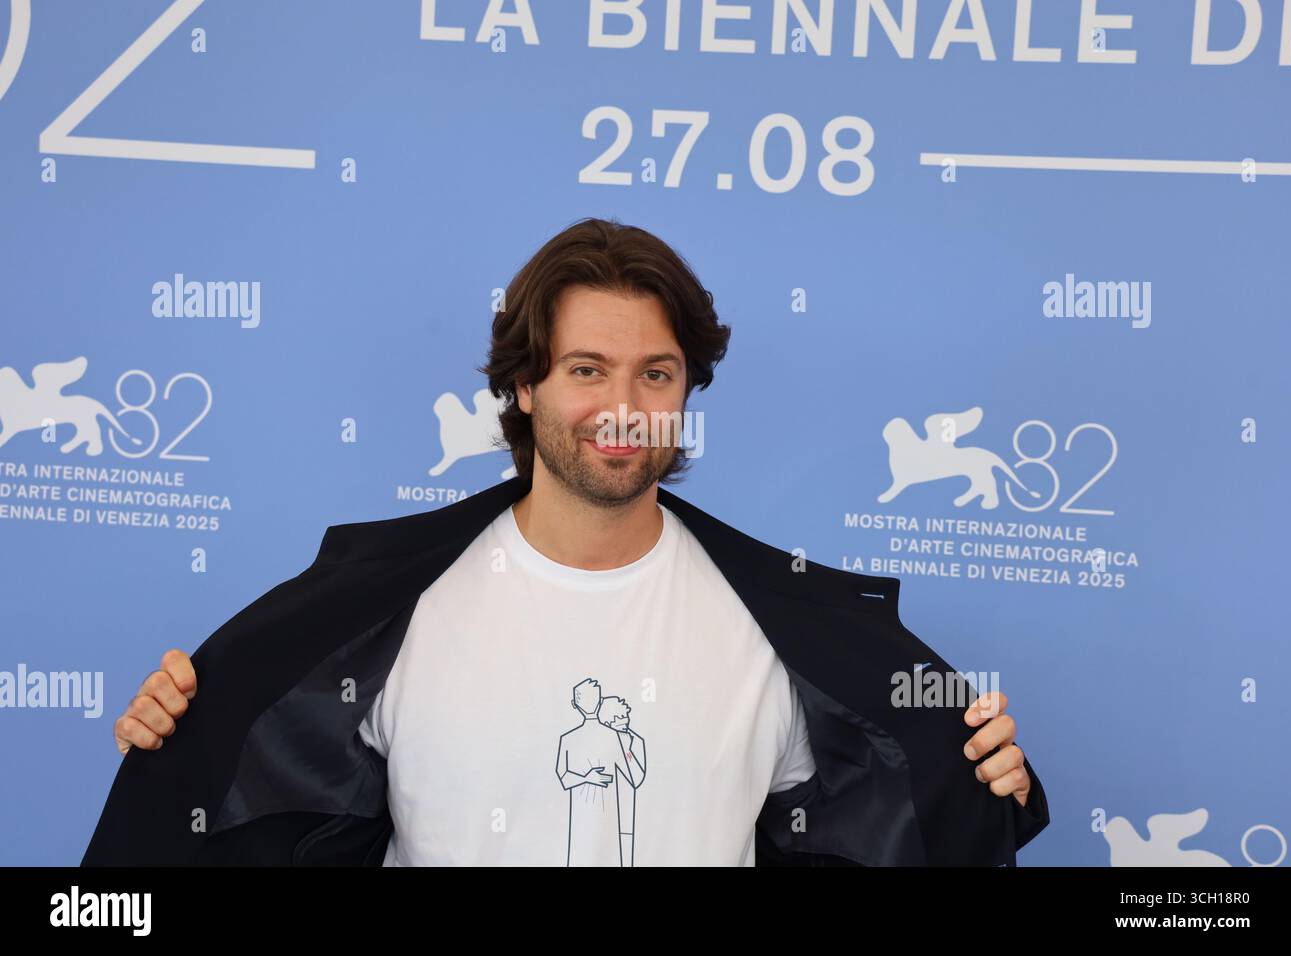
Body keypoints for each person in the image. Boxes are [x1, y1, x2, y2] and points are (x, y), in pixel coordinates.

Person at [98, 218, 1046, 867]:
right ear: (524, 386)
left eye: (657, 374)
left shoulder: (785, 626)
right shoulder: (384, 613)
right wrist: (186, 730)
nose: (624, 411)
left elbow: (898, 811)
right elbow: (226, 806)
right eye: (587, 370)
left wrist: (970, 778)